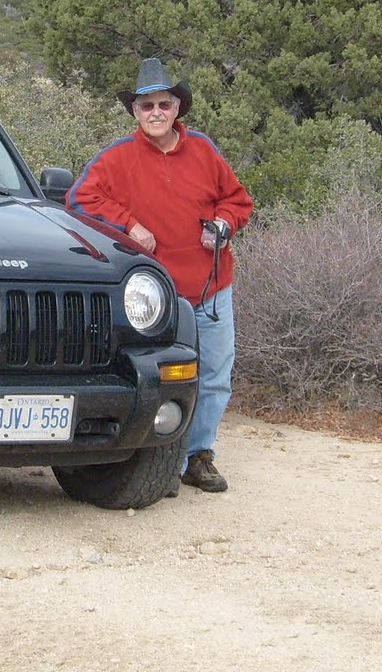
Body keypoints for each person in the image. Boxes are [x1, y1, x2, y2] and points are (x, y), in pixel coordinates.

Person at [66, 58, 253, 493]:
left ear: (177, 108)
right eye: (146, 105)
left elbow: (238, 200)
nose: (155, 112)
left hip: (211, 289)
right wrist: (128, 225)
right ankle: (159, 461)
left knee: (213, 377)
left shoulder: (204, 150)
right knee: (157, 377)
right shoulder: (116, 158)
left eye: (163, 104)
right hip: (155, 300)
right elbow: (79, 200)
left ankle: (198, 456)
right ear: (135, 111)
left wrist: (223, 224)